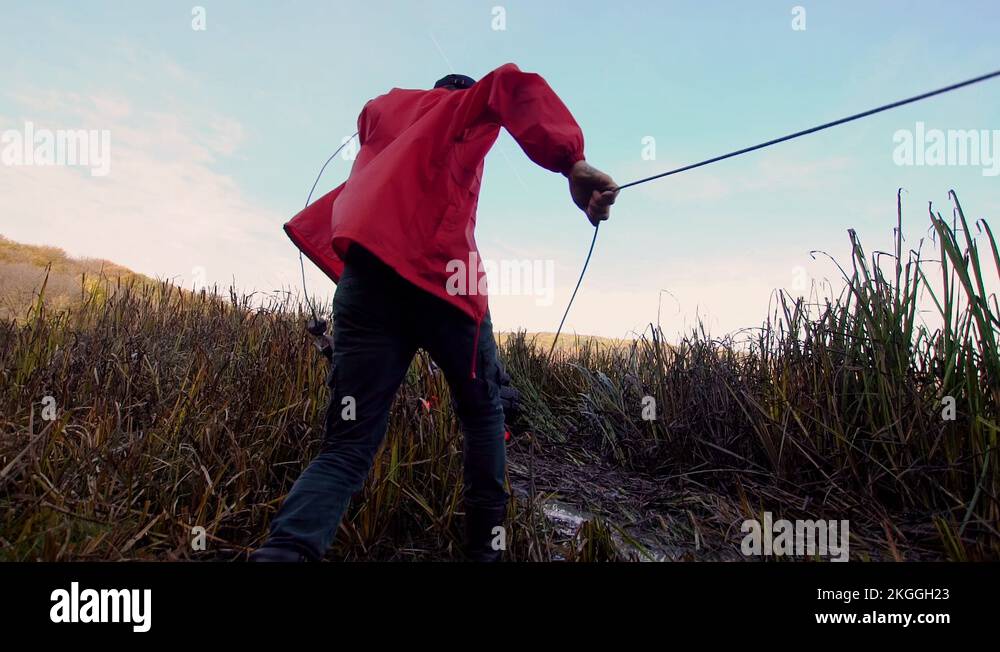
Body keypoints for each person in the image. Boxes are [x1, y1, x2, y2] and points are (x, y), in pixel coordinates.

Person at [251, 63, 618, 562]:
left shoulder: (386, 118)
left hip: (366, 281)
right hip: (444, 283)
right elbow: (508, 86)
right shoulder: (458, 108)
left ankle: (284, 554)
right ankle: (484, 554)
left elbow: (368, 123)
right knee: (484, 415)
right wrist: (572, 163)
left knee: (346, 448)